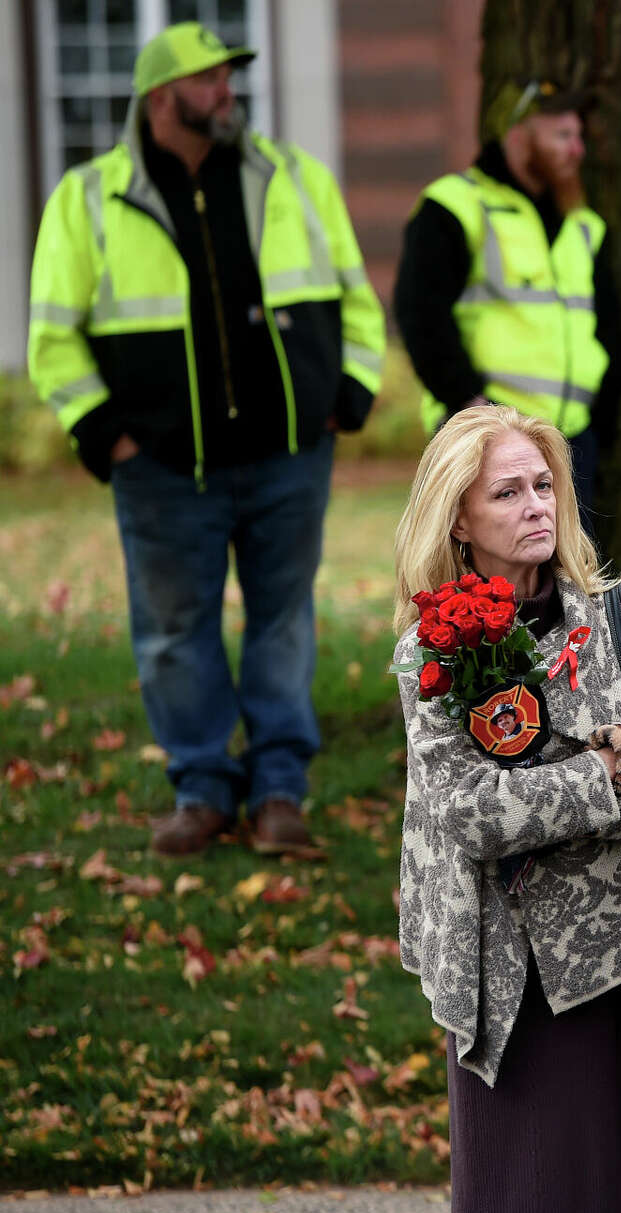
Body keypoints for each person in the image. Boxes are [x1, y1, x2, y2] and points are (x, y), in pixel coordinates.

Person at [27, 22, 385, 860]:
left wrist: (352, 393)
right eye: (211, 79)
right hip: (160, 471)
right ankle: (201, 789)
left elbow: (354, 297)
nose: (229, 91)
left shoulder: (292, 178)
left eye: (231, 76)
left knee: (283, 623)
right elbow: (52, 336)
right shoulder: (87, 198)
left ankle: (278, 792)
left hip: (287, 459)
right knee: (172, 632)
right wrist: (104, 437)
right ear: (162, 97)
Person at [392, 403, 621, 1213]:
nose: (536, 505)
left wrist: (595, 796)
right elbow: (469, 815)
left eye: (544, 485)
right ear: (459, 518)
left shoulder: (617, 617)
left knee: (594, 1212)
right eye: (507, 492)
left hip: (598, 957)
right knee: (512, 1212)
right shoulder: (432, 649)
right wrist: (603, 777)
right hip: (496, 970)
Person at [393, 80, 621, 519]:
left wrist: (602, 420)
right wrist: (467, 403)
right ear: (519, 137)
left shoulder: (583, 225)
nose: (577, 150)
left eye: (578, 137)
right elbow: (420, 313)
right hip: (485, 438)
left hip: (572, 440)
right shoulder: (456, 205)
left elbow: (608, 328)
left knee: (566, 583)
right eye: (562, 135)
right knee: (485, 584)